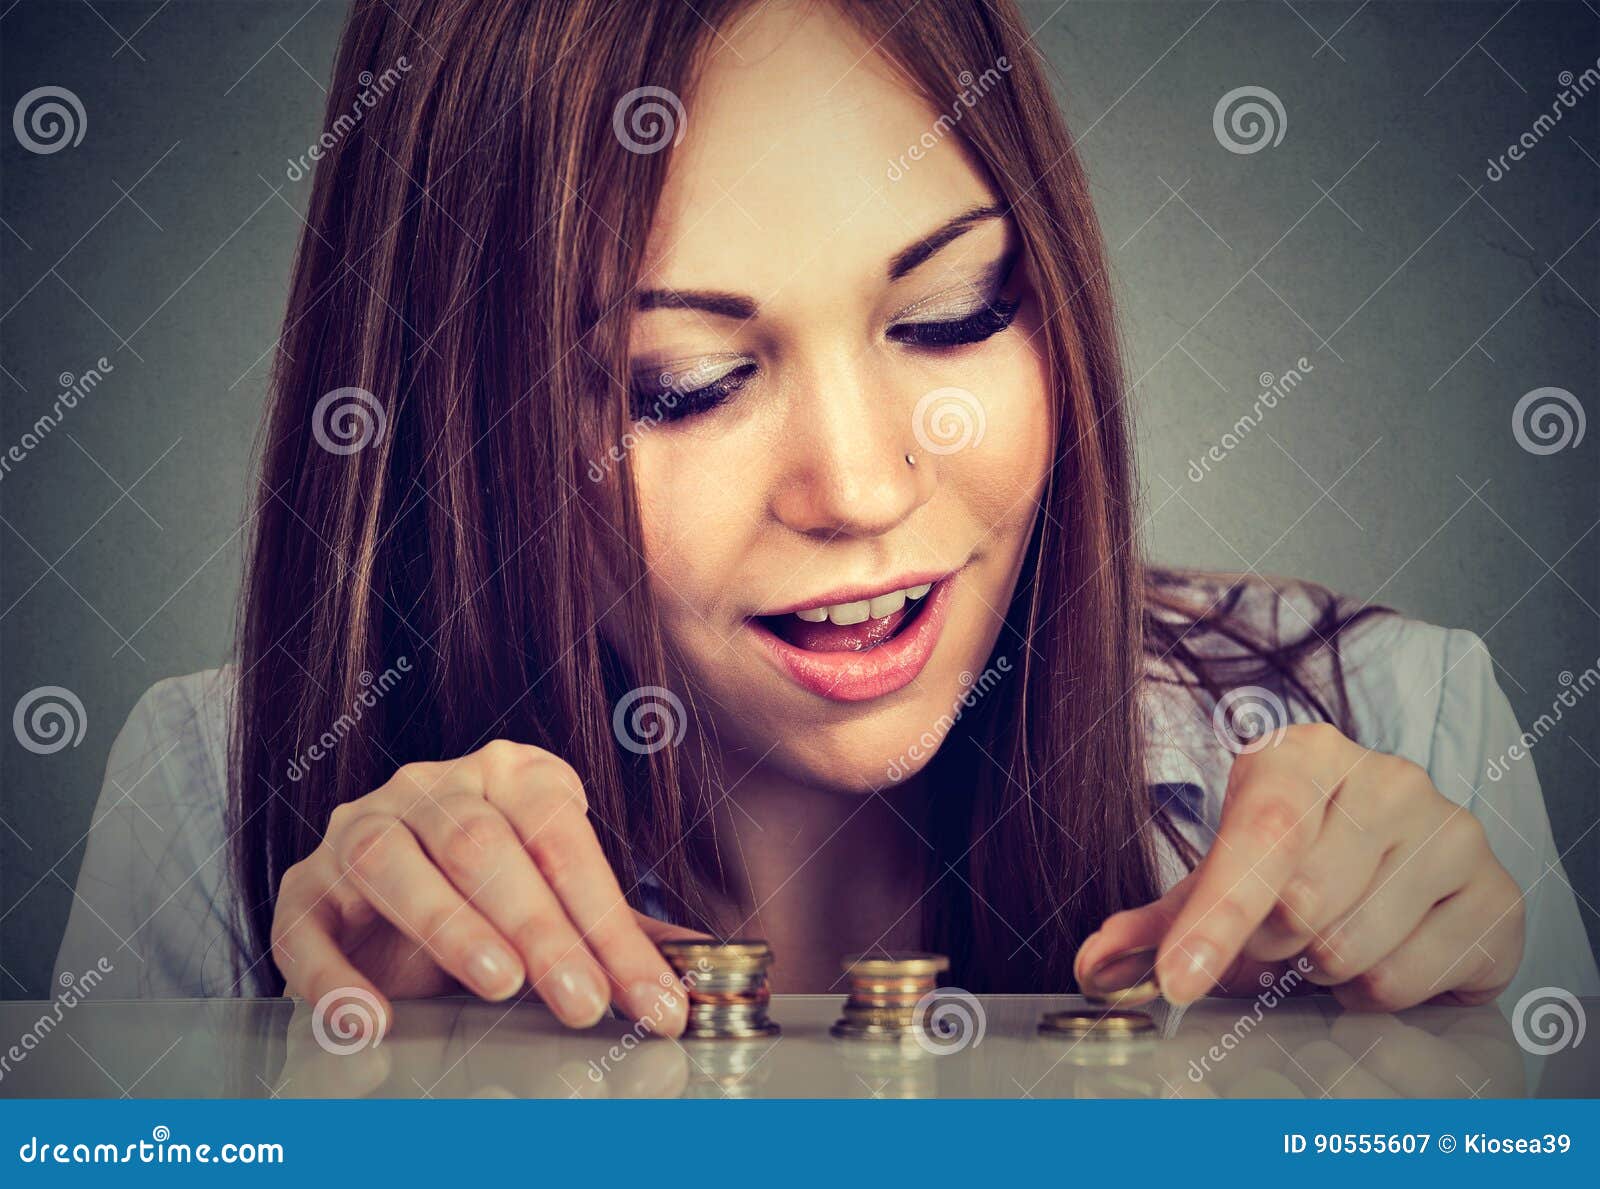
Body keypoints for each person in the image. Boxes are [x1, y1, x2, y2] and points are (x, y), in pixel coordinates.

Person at [54, 0, 1598, 1041]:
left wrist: (1449, 1087)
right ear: (464, 418)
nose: (860, 488)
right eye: (684, 382)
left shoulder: (1402, 724)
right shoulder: (219, 806)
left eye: (950, 314)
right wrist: (370, 1107)